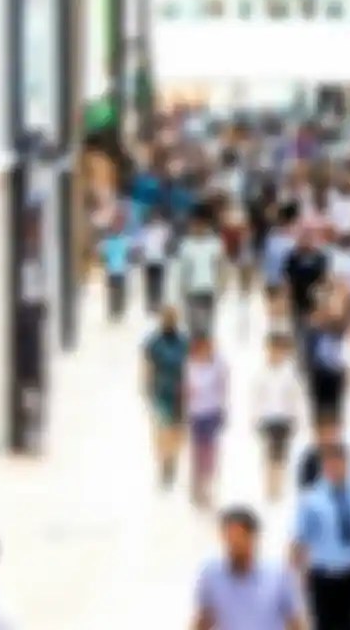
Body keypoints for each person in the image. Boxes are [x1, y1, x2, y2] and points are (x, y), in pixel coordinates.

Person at [292, 443, 350, 630]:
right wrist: (297, 577)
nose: (335, 468)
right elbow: (300, 540)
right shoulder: (311, 499)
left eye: (340, 463)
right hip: (323, 576)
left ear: (347, 463)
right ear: (324, 466)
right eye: (330, 464)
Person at [194, 508, 306, 630]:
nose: (232, 544)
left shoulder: (279, 575)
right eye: (227, 538)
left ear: (253, 537)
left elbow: (295, 621)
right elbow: (204, 619)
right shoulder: (212, 575)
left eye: (237, 537)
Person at [143, 307, 190, 489]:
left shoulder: (184, 342)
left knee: (177, 432)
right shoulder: (154, 343)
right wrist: (146, 389)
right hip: (161, 392)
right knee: (162, 431)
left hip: (180, 394)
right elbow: (147, 365)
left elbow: (190, 367)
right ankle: (164, 463)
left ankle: (172, 462)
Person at [254, 332, 304, 501]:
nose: (275, 353)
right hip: (267, 418)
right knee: (269, 453)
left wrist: (296, 418)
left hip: (284, 419)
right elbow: (257, 397)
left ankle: (278, 487)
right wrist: (256, 417)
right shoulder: (262, 373)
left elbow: (296, 397)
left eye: (278, 350)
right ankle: (269, 486)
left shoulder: (289, 373)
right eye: (272, 350)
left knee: (281, 455)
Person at [185, 333, 229, 507]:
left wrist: (222, 409)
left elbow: (224, 385)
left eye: (208, 348)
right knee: (197, 451)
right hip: (195, 414)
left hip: (212, 412)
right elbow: (187, 390)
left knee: (210, 451)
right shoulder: (190, 365)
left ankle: (207, 485)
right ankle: (196, 486)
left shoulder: (217, 365)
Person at [283, 228, 330, 369]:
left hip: (315, 304)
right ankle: (301, 363)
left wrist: (323, 303)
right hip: (297, 302)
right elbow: (287, 280)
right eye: (303, 239)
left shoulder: (319, 257)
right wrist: (286, 299)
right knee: (298, 334)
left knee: (314, 335)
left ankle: (313, 362)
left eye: (308, 239)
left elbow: (324, 280)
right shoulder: (293, 257)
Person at [305, 295, 350, 423]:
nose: (323, 316)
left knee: (335, 408)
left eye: (326, 312)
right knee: (318, 408)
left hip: (334, 375)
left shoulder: (337, 329)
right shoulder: (312, 333)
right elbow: (307, 355)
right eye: (320, 313)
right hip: (318, 375)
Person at [179, 215, 225, 338]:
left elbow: (220, 265)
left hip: (208, 288)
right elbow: (183, 269)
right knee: (192, 323)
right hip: (192, 289)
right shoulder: (186, 245)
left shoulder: (214, 244)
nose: (198, 228)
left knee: (207, 324)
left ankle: (206, 348)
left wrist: (222, 285)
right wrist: (182, 287)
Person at [296, 413, 342, 490]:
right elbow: (305, 488)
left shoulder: (341, 456)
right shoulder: (310, 460)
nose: (327, 437)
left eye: (330, 433)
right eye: (324, 433)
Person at [139, 209, 173, 313]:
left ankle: (158, 304)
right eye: (154, 217)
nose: (155, 219)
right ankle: (150, 305)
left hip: (160, 260)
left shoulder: (164, 229)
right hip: (149, 260)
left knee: (159, 284)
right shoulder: (146, 230)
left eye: (157, 217)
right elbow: (142, 245)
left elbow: (169, 241)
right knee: (149, 284)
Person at [99, 222, 133, 322]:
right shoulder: (124, 241)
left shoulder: (107, 242)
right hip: (120, 270)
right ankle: (119, 312)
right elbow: (128, 255)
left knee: (113, 293)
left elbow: (103, 256)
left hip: (112, 270)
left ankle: (114, 311)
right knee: (119, 292)